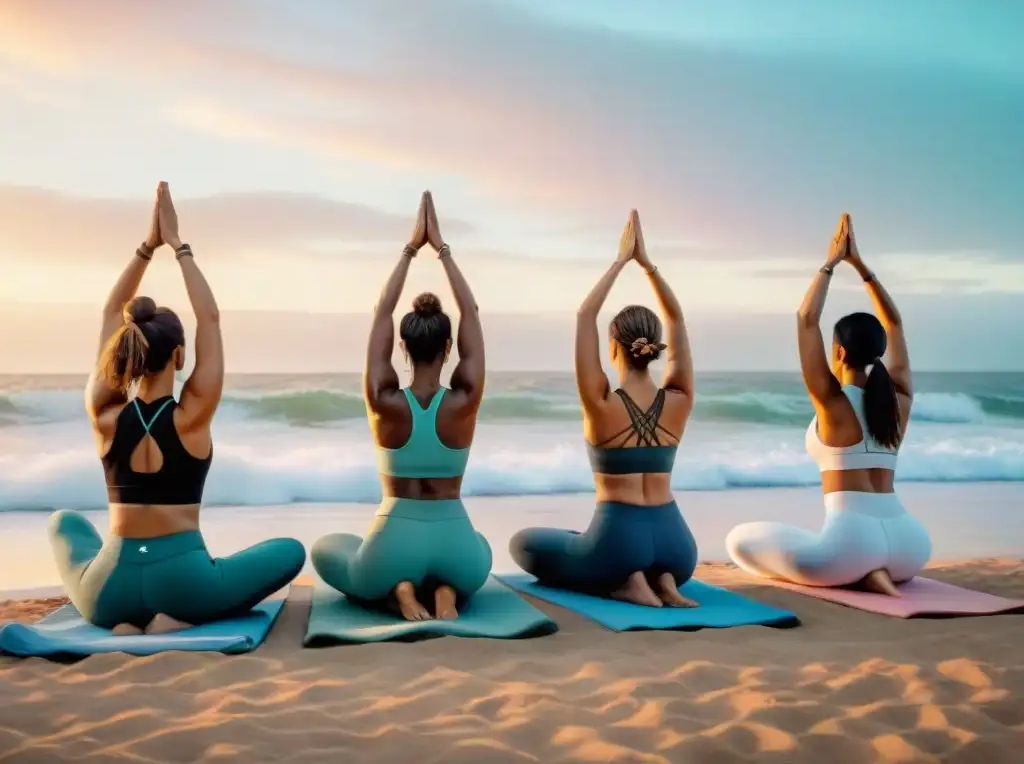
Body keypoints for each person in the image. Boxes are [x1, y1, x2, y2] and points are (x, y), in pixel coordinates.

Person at [48, 182, 306, 634]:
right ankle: (174, 619)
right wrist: (178, 246)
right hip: (184, 582)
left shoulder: (105, 416)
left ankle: (128, 619)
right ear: (181, 357)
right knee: (290, 551)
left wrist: (146, 247)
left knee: (63, 523)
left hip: (111, 589)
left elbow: (111, 311)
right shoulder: (192, 417)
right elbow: (210, 318)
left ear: (127, 353)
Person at [725, 213, 931, 596]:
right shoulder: (899, 398)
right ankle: (877, 571)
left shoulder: (833, 403)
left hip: (851, 546)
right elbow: (896, 324)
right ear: (879, 350)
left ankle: (866, 572)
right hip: (910, 545)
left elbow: (806, 320)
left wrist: (830, 263)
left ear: (838, 351)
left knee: (739, 540)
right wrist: (861, 268)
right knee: (810, 539)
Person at [311, 191, 492, 621]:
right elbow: (471, 311)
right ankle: (447, 590)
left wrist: (410, 250)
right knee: (480, 547)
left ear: (402, 346)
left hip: (393, 543)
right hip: (455, 541)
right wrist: (443, 251)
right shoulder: (464, 400)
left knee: (328, 550)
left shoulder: (384, 401)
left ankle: (400, 593)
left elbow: (382, 311)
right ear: (448, 347)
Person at [510, 210, 699, 608]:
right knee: (581, 541)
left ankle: (627, 582)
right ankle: (664, 581)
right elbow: (677, 318)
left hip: (617, 542)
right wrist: (647, 266)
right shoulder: (679, 398)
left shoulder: (601, 403)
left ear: (613, 348)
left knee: (525, 544)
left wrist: (619, 262)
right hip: (679, 546)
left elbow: (584, 315)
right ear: (655, 347)